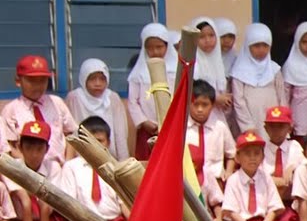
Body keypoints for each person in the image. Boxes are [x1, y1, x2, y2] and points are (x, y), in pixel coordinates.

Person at [126, 23, 177, 159]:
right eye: (150, 48)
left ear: (167, 46)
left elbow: (180, 97)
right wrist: (144, 121)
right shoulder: (138, 74)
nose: (155, 52)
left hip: (172, 127)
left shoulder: (176, 70)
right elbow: (133, 102)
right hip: (147, 129)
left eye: (159, 47)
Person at [231, 23, 289, 137]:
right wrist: (247, 126)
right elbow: (239, 102)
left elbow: (282, 97)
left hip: (274, 119)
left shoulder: (274, 69)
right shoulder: (238, 71)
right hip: (251, 121)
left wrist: (284, 119)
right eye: (256, 45)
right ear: (248, 46)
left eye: (265, 45)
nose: (261, 50)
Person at [67, 60, 131, 160]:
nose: (98, 83)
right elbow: (70, 130)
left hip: (109, 156)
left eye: (102, 79)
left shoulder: (113, 98)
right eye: (92, 79)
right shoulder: (74, 97)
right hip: (80, 158)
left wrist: (123, 161)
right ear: (84, 79)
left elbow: (120, 134)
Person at [186, 81, 235, 201]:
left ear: (212, 105)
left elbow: (232, 154)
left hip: (217, 183)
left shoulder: (220, 127)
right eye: (195, 104)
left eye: (205, 105)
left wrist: (228, 173)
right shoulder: (183, 129)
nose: (200, 109)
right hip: (190, 184)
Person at [189, 16, 232, 122]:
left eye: (211, 35)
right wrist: (215, 98)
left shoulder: (217, 61)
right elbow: (191, 90)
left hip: (217, 116)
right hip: (198, 116)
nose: (207, 40)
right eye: (201, 37)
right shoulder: (191, 63)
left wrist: (225, 100)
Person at [262, 105, 303, 204]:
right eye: (272, 126)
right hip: (268, 197)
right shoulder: (261, 149)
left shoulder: (294, 145)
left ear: (289, 129)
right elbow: (257, 173)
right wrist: (272, 180)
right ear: (265, 128)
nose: (276, 130)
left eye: (280, 126)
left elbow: (305, 164)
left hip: (290, 198)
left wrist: (292, 167)